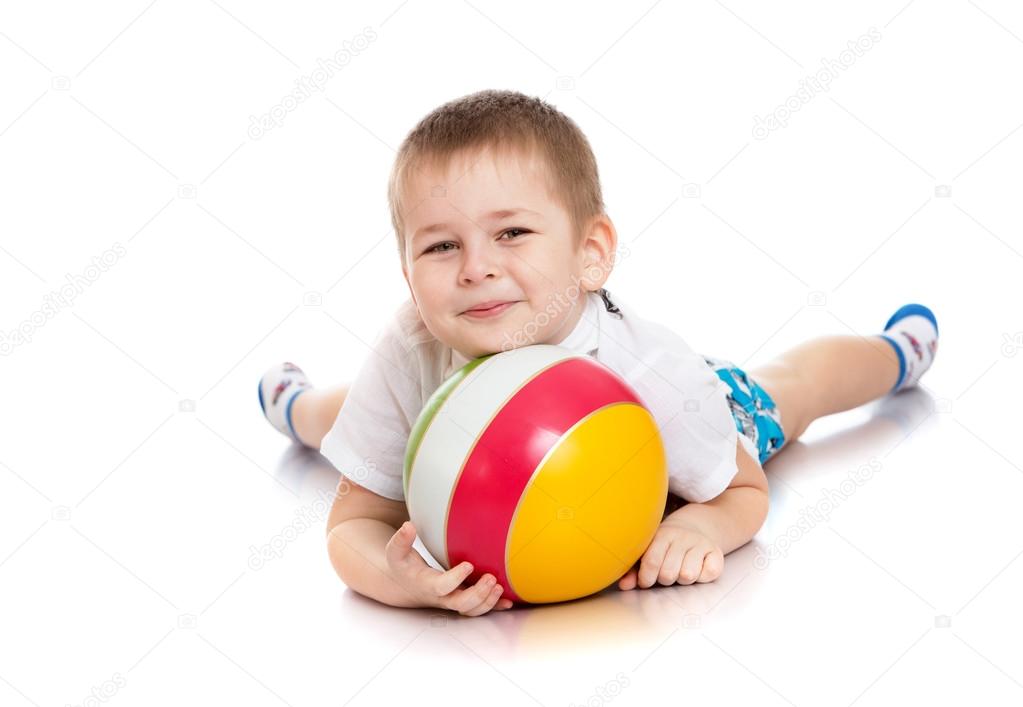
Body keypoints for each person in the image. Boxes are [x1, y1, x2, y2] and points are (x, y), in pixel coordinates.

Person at [257, 89, 938, 617]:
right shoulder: (411, 343)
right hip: (436, 423)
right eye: (441, 246)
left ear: (591, 253)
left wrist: (701, 523)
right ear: (407, 273)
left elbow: (743, 490)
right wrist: (399, 581)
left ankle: (894, 351)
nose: (475, 269)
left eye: (512, 232)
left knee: (796, 385)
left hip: (703, 406)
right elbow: (353, 523)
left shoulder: (652, 372)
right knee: (346, 419)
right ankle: (296, 407)